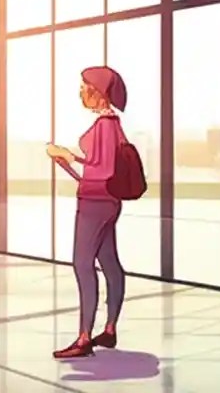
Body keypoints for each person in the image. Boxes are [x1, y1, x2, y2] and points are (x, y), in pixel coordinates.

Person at [47, 66, 130, 359]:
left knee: (82, 263)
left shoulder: (105, 127)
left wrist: (69, 156)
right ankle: (108, 330)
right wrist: (68, 161)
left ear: (98, 93)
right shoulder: (113, 125)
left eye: (85, 87)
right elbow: (96, 169)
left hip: (95, 203)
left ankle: (84, 337)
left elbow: (101, 170)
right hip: (105, 200)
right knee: (108, 260)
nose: (80, 92)